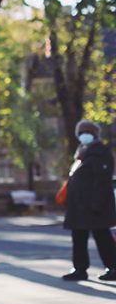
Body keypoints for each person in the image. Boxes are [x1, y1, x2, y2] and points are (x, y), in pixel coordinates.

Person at [61, 120, 116, 281]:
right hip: (79, 207)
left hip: (94, 206)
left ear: (94, 134)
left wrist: (96, 204)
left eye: (88, 132)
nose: (85, 135)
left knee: (103, 238)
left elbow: (102, 180)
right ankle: (80, 269)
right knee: (78, 238)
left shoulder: (100, 152)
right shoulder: (82, 153)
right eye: (82, 132)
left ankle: (113, 267)